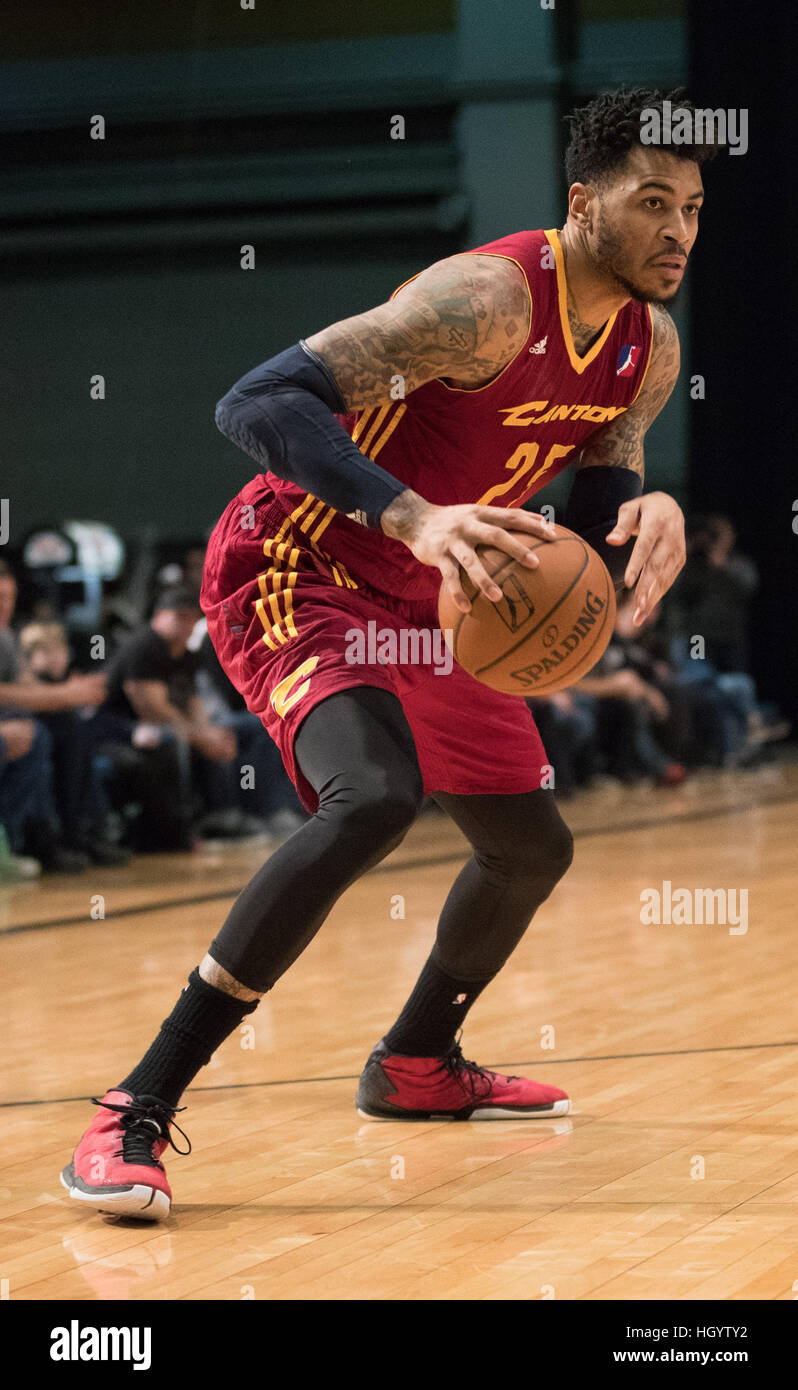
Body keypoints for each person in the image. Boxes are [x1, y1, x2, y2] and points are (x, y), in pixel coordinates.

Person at [62, 87, 710, 1221]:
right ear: (582, 203)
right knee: (373, 799)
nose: (678, 230)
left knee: (529, 847)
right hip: (301, 564)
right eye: (651, 201)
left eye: (693, 208)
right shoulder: (485, 301)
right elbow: (255, 402)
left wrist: (645, 512)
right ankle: (135, 1105)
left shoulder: (648, 346)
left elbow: (596, 494)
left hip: (444, 596)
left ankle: (416, 1060)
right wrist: (415, 516)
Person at [87, 587, 238, 852]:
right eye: (180, 616)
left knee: (223, 734)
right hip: (114, 729)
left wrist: (208, 732)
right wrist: (200, 736)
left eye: (192, 618)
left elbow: (192, 703)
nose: (187, 624)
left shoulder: (187, 654)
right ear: (159, 616)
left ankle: (220, 818)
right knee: (172, 740)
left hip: (153, 727)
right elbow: (152, 709)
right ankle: (173, 831)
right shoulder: (145, 646)